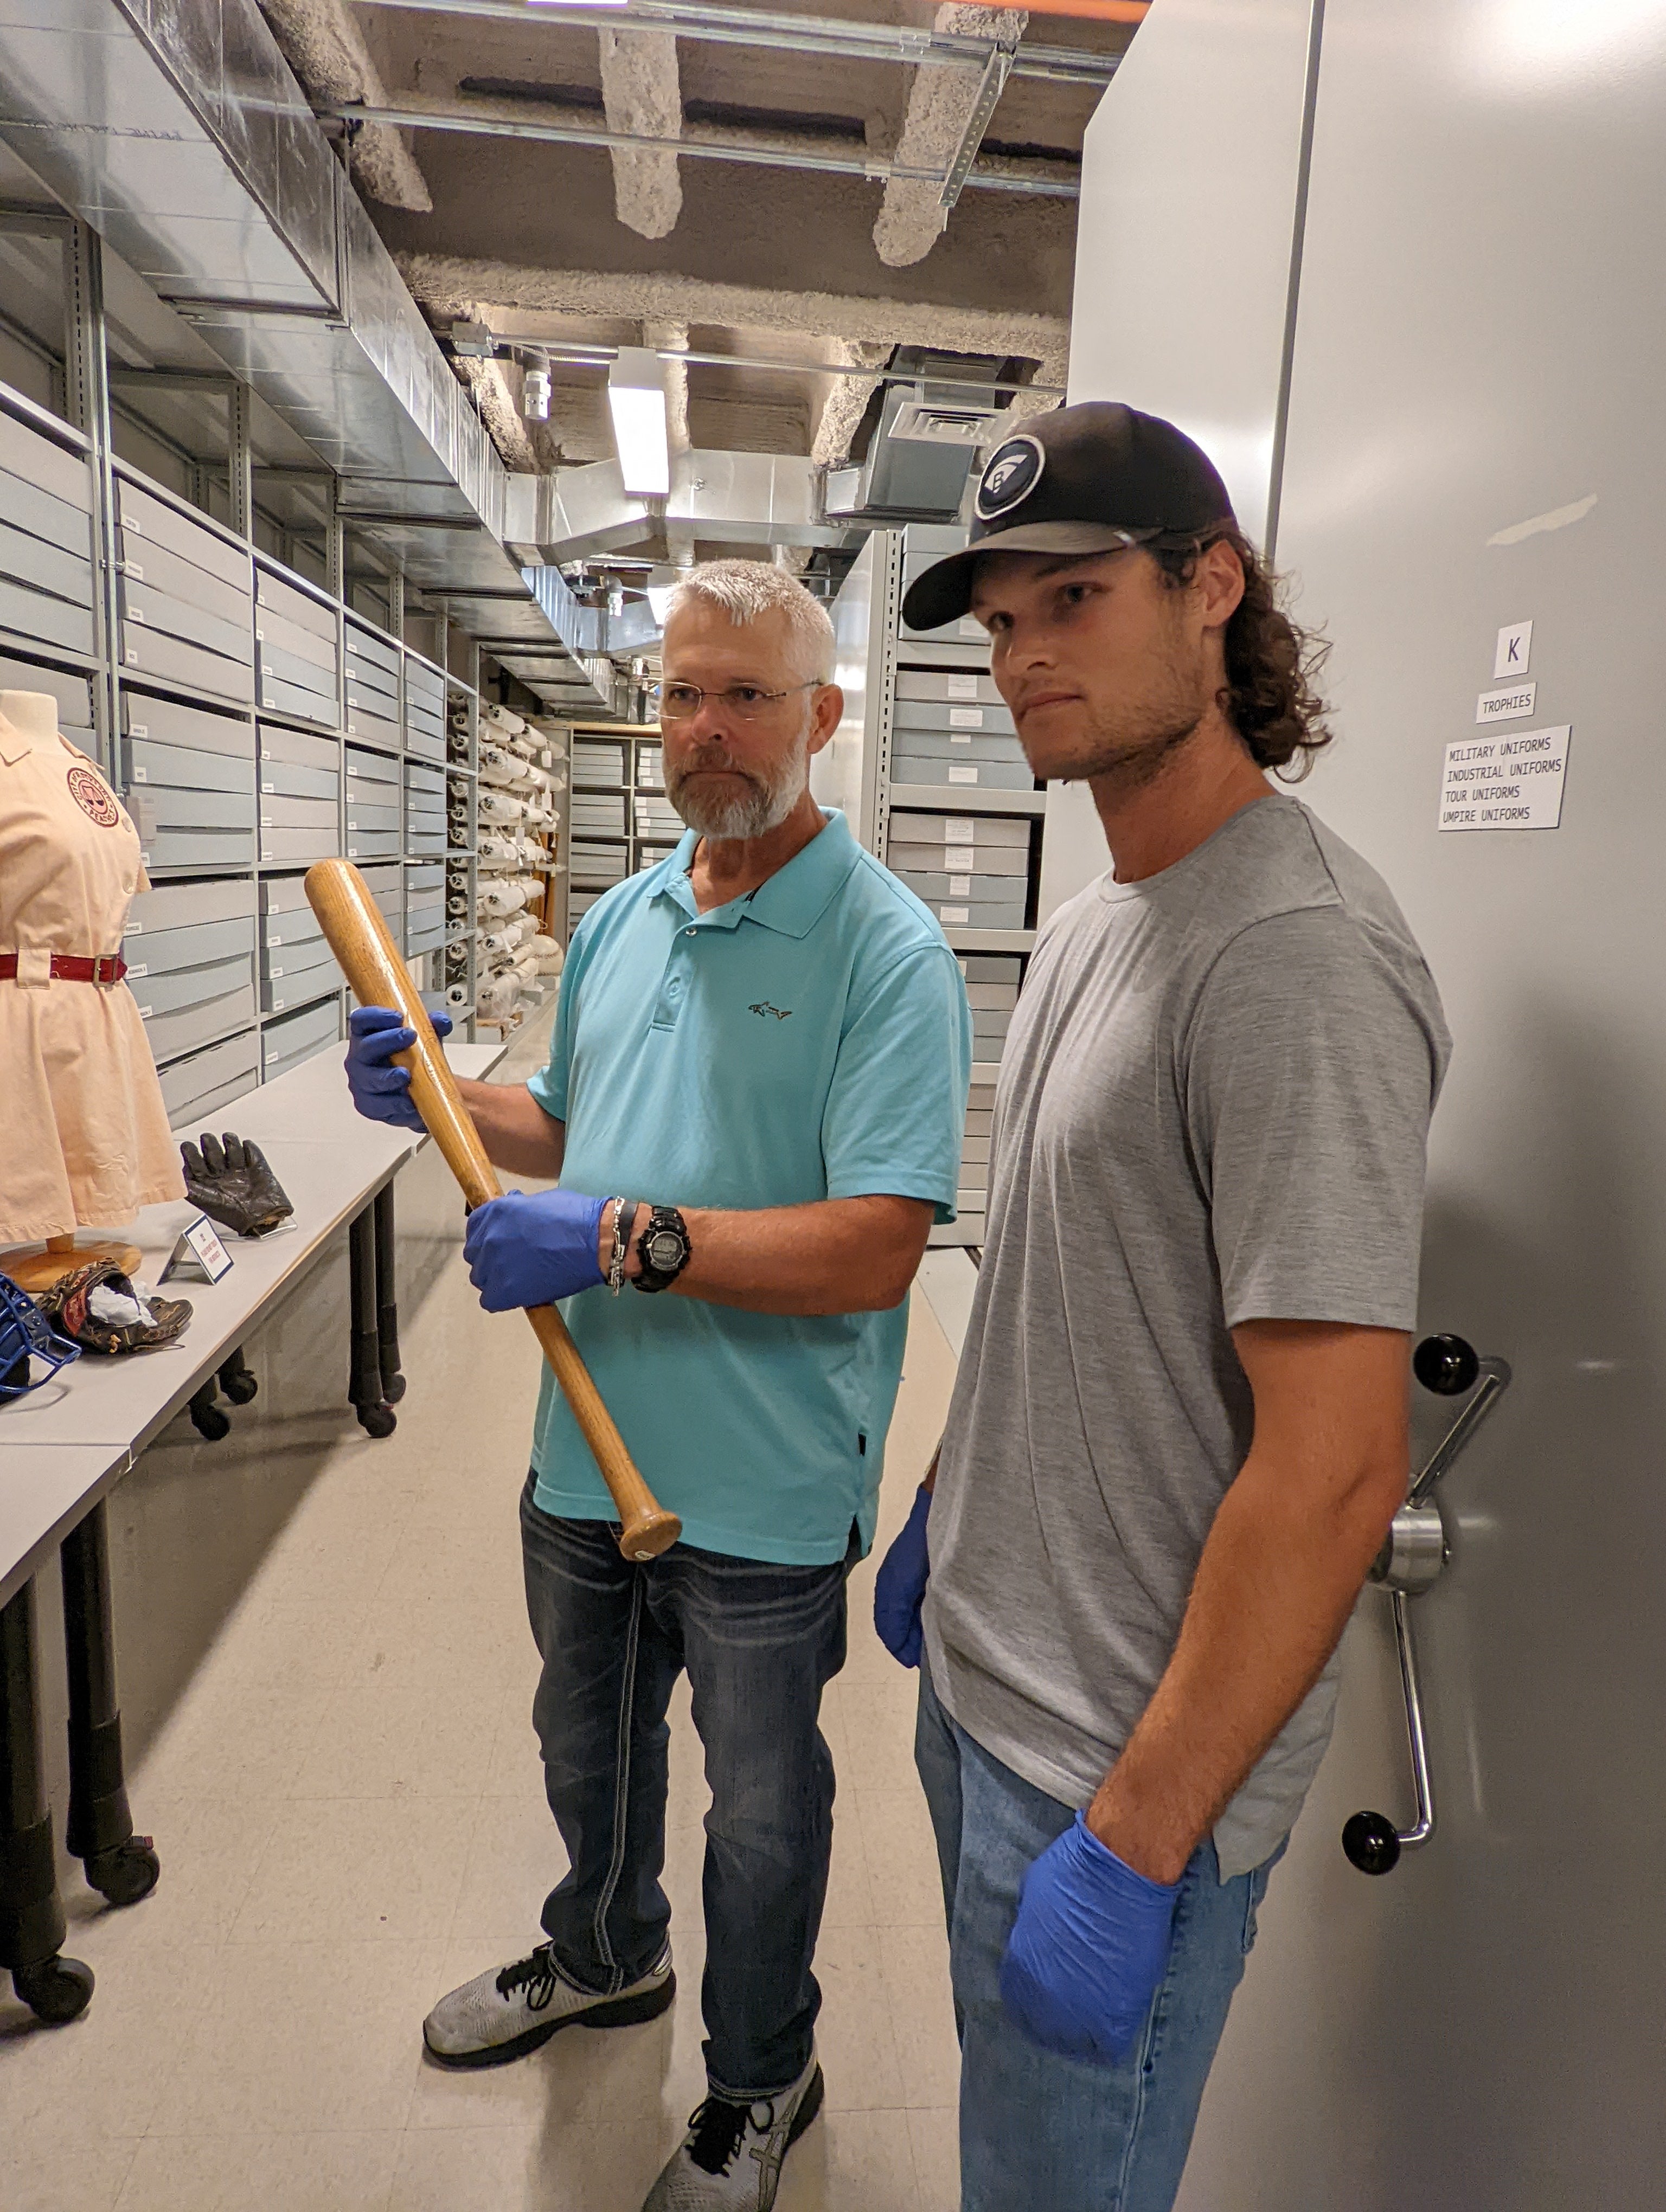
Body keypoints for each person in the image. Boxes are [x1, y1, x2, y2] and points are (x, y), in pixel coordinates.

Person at [873, 403, 1450, 2211]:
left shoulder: (1298, 964)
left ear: (1214, 592)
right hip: (990, 1697)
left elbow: (1338, 1474)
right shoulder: (1099, 915)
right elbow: (1063, 1276)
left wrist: (1131, 1843)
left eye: (1076, 596)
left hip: (1116, 1780)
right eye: (1000, 621)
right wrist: (956, 1508)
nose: (1028, 654)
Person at [344, 559, 971, 2212]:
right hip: (584, 1460)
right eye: (682, 693)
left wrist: (618, 1239)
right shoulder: (623, 917)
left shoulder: (887, 951)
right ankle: (608, 1954)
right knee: (586, 1751)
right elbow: (566, 1122)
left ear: (824, 718)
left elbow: (874, 1244)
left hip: (759, 1487)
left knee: (761, 1810)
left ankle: (764, 2075)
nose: (705, 729)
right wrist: (440, 1093)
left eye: (747, 696)